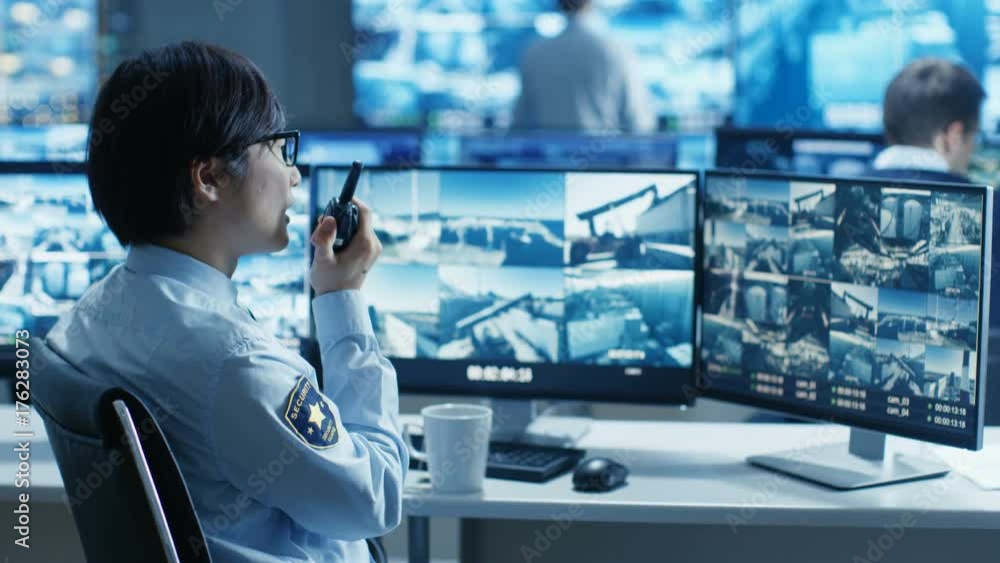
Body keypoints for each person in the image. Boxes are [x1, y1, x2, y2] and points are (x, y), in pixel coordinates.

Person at [44, 41, 406, 562]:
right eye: (281, 150)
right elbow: (376, 498)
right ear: (209, 178)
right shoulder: (238, 367)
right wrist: (343, 301)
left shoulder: (86, 319)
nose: (295, 176)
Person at [511, 0, 654, 132]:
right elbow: (637, 123)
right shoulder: (616, 51)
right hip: (605, 158)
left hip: (550, 158)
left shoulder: (535, 53)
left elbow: (520, 124)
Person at [869, 58, 986, 183]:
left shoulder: (848, 191)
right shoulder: (986, 201)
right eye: (975, 136)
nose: (973, 147)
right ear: (954, 135)